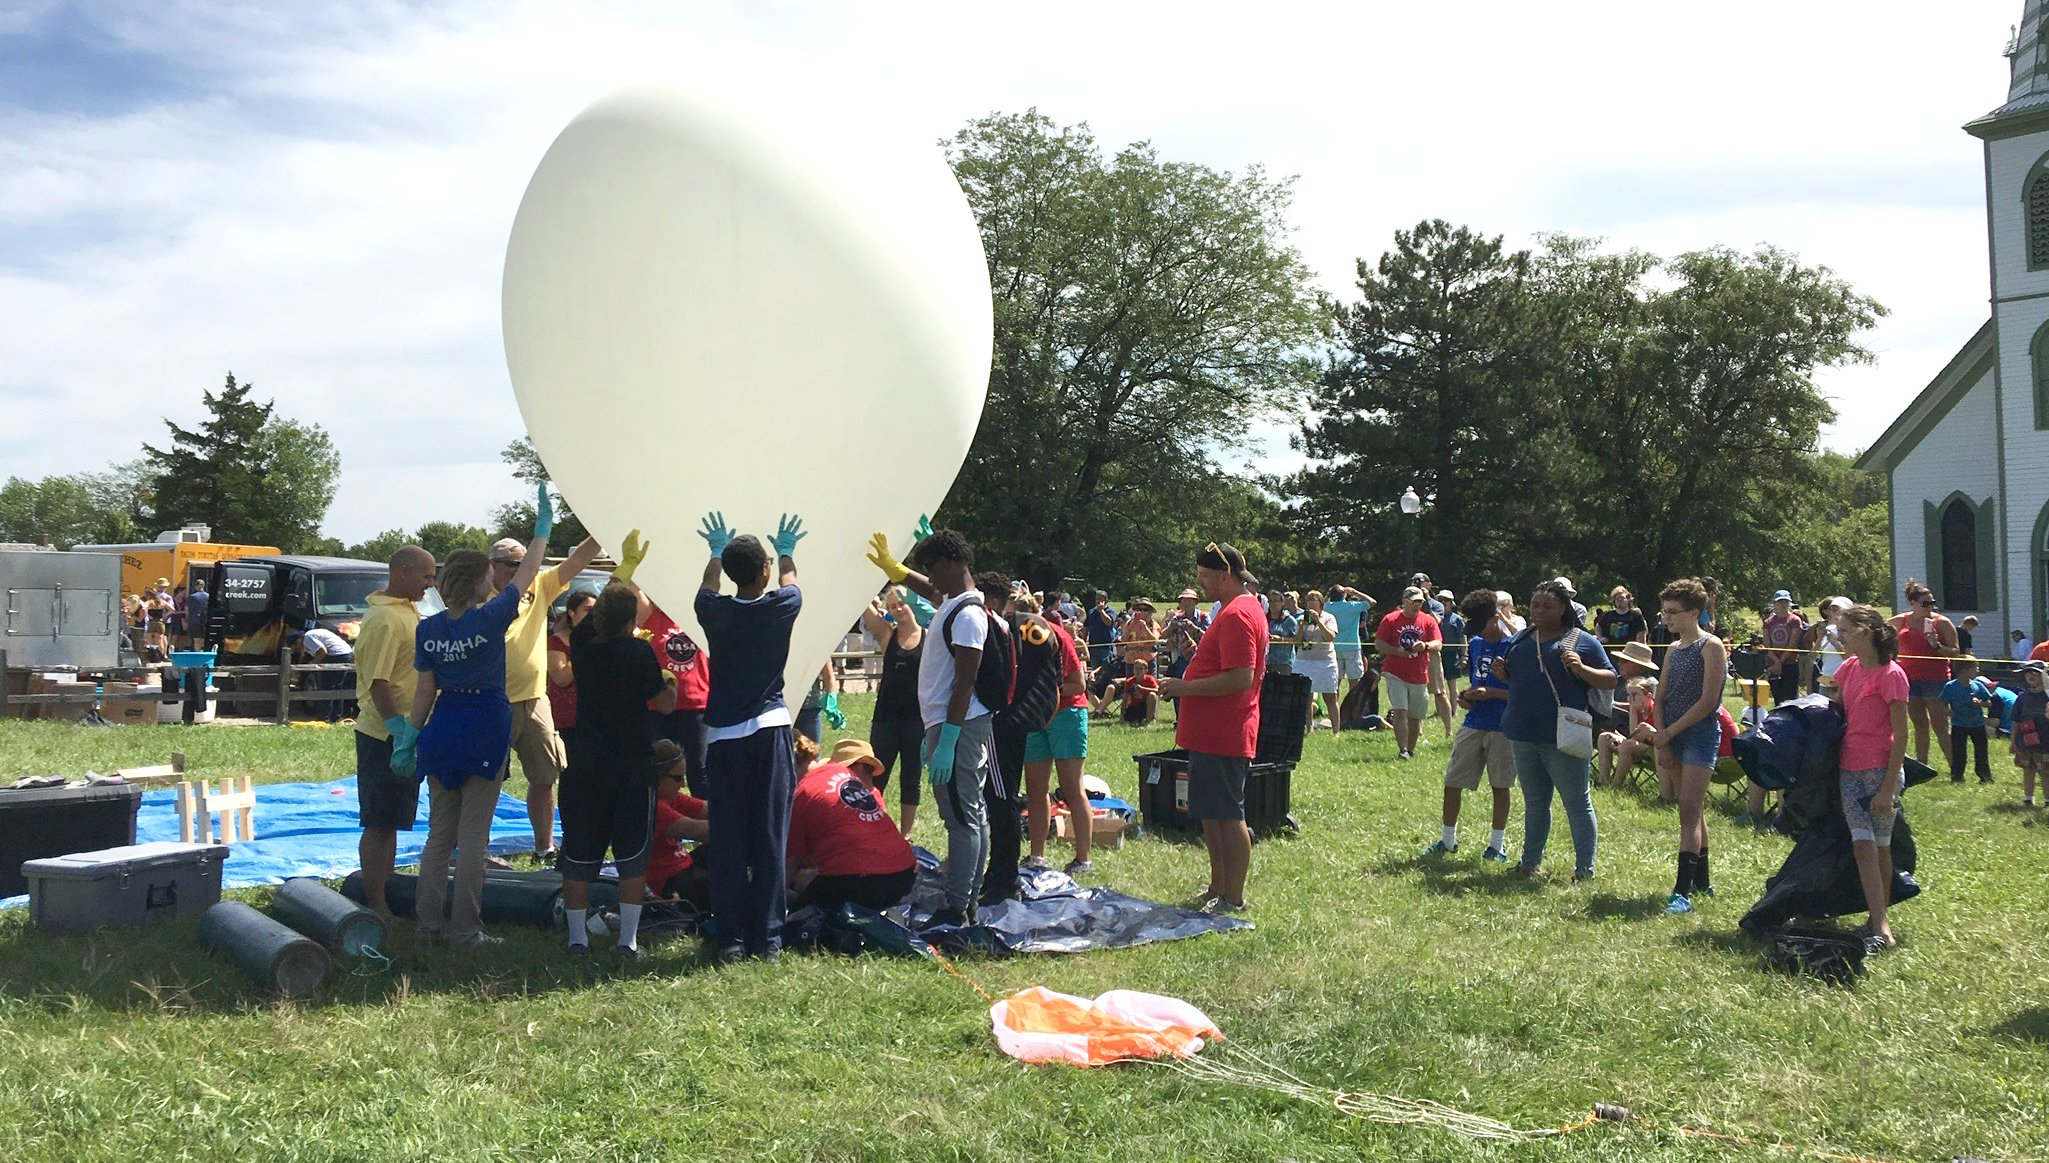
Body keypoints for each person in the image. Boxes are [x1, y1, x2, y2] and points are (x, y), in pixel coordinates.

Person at [408, 527, 553, 949]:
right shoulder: (489, 618)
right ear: (476, 581)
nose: (495, 579)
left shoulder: (427, 629)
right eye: (489, 574)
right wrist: (541, 530)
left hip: (443, 724)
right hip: (486, 725)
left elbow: (423, 691)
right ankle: (465, 929)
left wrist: (409, 737)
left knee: (438, 836)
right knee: (473, 838)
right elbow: (527, 573)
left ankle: (427, 925)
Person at [866, 527, 994, 928]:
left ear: (954, 563)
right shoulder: (956, 601)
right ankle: (967, 897)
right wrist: (897, 570)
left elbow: (965, 680)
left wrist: (949, 740)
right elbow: (930, 591)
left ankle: (958, 906)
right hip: (950, 724)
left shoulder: (969, 615)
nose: (931, 578)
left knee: (960, 816)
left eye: (933, 568)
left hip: (959, 725)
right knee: (970, 812)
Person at [695, 513, 805, 962]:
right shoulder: (783, 606)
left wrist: (715, 553)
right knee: (770, 835)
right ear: (764, 571)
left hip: (723, 738)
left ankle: (731, 938)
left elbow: (706, 586)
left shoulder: (713, 611)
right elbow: (792, 581)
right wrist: (785, 551)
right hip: (769, 729)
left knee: (728, 838)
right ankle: (770, 938)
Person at [561, 581, 677, 955]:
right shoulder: (640, 652)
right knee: (631, 854)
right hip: (631, 764)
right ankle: (628, 941)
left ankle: (576, 938)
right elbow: (665, 705)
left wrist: (620, 576)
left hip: (585, 762)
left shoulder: (581, 647)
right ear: (630, 622)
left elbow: (585, 626)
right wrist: (669, 681)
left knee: (579, 853)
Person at [485, 525, 607, 863]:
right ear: (492, 565)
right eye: (513, 564)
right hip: (492, 701)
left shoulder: (537, 587)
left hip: (535, 698)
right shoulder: (480, 597)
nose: (523, 568)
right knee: (485, 780)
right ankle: (476, 847)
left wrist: (601, 529)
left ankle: (544, 846)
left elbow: (577, 562)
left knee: (546, 775)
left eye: (525, 562)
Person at [1156, 542, 1265, 914]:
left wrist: (1185, 686)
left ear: (1225, 575)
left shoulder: (1237, 614)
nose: (1200, 584)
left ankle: (1233, 897)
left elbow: (1240, 677)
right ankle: (1218, 887)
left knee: (1229, 815)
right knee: (1212, 814)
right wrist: (1197, 652)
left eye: (1204, 577)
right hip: (1210, 731)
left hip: (1225, 730)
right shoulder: (1235, 610)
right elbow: (1225, 661)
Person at [1494, 579, 1616, 881]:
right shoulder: (1521, 638)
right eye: (1535, 605)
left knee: (1577, 802)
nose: (1539, 611)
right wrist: (1503, 674)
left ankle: (1584, 870)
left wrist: (1582, 669)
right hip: (1523, 732)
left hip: (1564, 734)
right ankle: (1529, 862)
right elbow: (1520, 682)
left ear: (1564, 608)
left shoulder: (1580, 640)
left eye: (1547, 606)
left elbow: (1611, 679)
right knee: (1535, 802)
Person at [351, 545, 435, 918]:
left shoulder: (407, 610)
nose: (430, 584)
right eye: (425, 576)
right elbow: (378, 683)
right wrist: (398, 730)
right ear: (402, 572)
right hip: (384, 735)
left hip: (405, 732)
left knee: (394, 819)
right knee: (379, 822)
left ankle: (386, 888)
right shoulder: (385, 620)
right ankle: (376, 904)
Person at [1636, 579, 1728, 914]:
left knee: (1689, 812)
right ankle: (1701, 882)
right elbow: (1660, 697)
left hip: (1699, 735)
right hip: (1672, 735)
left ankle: (1681, 892)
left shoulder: (1711, 646)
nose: (1667, 618)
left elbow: (1707, 701)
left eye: (1674, 612)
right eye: (1665, 612)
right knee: (1690, 809)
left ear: (1695, 613)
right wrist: (1663, 738)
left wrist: (1669, 733)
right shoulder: (1673, 650)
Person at [1829, 604, 1910, 951]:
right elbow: (1837, 712)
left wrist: (1889, 788)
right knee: (1863, 848)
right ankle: (1877, 921)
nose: (1839, 636)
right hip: (1850, 768)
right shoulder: (1848, 669)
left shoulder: (1891, 675)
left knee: (1880, 847)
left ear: (1864, 632)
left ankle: (1880, 925)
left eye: (1844, 630)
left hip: (1880, 772)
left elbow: (1901, 735)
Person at [1423, 589, 1515, 861]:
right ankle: (1447, 840)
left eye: (1483, 624)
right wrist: (1467, 698)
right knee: (1452, 781)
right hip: (1474, 721)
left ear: (1496, 618)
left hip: (1502, 725)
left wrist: (1492, 693)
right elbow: (1477, 681)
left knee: (1500, 786)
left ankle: (1497, 846)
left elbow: (1521, 692)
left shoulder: (1513, 647)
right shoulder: (1475, 644)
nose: (1481, 632)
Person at [788, 738, 919, 912]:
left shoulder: (802, 793)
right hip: (904, 874)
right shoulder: (847, 778)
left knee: (800, 915)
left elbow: (789, 862)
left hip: (860, 879)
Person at [1021, 591, 1094, 877]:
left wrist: (1045, 692)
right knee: (1036, 788)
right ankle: (1037, 855)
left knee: (1071, 786)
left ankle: (1083, 858)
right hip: (1034, 718)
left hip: (1067, 714)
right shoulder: (1012, 639)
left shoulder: (1058, 637)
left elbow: (1078, 684)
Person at [860, 586, 927, 835]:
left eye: (901, 603)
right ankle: (873, 825)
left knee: (912, 777)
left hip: (916, 719)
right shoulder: (888, 635)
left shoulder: (929, 637)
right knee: (876, 774)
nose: (897, 609)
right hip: (886, 717)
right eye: (891, 606)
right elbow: (863, 605)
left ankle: (905, 834)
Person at [641, 600, 713, 799]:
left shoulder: (700, 615)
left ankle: (709, 823)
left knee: (699, 769)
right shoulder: (652, 615)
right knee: (660, 768)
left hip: (696, 704)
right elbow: (633, 584)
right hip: (659, 707)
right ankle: (659, 820)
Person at [1890, 580, 1958, 767]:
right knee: (1919, 725)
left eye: (1932, 603)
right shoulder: (1900, 621)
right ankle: (1923, 766)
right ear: (1913, 603)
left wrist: (1936, 645)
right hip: (1909, 678)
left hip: (1935, 679)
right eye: (1925, 603)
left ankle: (1955, 767)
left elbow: (1955, 651)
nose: (1930, 607)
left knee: (1941, 726)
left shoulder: (1942, 623)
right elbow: (1880, 636)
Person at [1374, 587, 1443, 760]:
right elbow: (1379, 644)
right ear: (1404, 601)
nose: (1416, 605)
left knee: (1415, 716)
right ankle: (1403, 750)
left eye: (1419, 602)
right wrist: (1396, 651)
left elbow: (1438, 643)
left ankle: (1410, 750)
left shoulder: (1428, 620)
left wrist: (1425, 646)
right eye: (1413, 601)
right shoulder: (1390, 619)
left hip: (1419, 675)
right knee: (1400, 711)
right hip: (1395, 673)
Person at [644, 739, 711, 907]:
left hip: (683, 866)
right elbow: (701, 831)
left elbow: (712, 810)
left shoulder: (668, 796)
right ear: (657, 777)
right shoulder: (653, 806)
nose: (682, 784)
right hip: (668, 882)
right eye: (677, 778)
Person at [545, 590, 595, 745]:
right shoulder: (556, 641)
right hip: (567, 718)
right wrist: (583, 649)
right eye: (587, 610)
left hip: (593, 717)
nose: (593, 615)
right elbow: (561, 678)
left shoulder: (601, 639)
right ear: (572, 613)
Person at [1941, 656, 1995, 785]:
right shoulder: (1951, 686)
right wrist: (1946, 711)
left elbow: (1989, 702)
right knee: (1959, 751)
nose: (1977, 671)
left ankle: (1985, 776)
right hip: (1959, 724)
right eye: (1974, 668)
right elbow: (1943, 702)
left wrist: (1980, 703)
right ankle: (1957, 776)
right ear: (1964, 670)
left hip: (1977, 724)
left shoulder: (1978, 686)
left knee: (1981, 751)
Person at [1292, 590, 1341, 729]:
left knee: (1330, 696)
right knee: (1306, 695)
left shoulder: (1329, 618)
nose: (1311, 603)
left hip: (1325, 661)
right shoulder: (1302, 618)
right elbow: (1297, 642)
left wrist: (1318, 621)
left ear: (1321, 603)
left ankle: (1336, 730)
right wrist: (1302, 627)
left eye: (1314, 600)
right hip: (1304, 661)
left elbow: (1330, 637)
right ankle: (1309, 728)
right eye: (1309, 600)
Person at [1324, 586, 1372, 718]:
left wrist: (1328, 595)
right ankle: (1353, 711)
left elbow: (1320, 603)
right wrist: (1355, 592)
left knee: (1335, 682)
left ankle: (1334, 713)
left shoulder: (1328, 607)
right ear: (1344, 595)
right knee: (1354, 681)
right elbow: (1372, 602)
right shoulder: (1353, 605)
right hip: (1352, 647)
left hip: (1334, 648)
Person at [297, 622, 355, 723]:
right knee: (337, 686)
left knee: (326, 686)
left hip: (337, 655)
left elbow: (322, 652)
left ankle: (324, 717)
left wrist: (313, 664)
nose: (296, 649)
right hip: (347, 653)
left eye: (295, 646)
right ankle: (335, 717)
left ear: (298, 640)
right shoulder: (314, 634)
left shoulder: (307, 638)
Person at [2012, 660, 2049, 806]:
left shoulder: (2047, 697)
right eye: (2028, 673)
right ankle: (2028, 798)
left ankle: (2047, 799)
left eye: (2036, 673)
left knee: (2046, 772)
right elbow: (2015, 720)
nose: (2031, 676)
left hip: (2045, 742)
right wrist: (2013, 741)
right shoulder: (2022, 698)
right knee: (2028, 770)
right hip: (2025, 742)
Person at [1762, 590, 1807, 706]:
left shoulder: (1795, 620)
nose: (1783, 604)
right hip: (1772, 663)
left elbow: (1792, 644)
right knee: (1778, 698)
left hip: (1790, 663)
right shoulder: (1768, 622)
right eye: (1780, 601)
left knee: (1790, 699)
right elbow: (1767, 645)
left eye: (1786, 601)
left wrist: (1780, 663)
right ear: (1775, 604)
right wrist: (1775, 662)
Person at [1433, 588, 1465, 738]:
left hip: (1451, 654)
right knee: (1438, 684)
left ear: (1451, 603)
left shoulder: (1456, 619)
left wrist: (1464, 655)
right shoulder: (1434, 617)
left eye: (1445, 601)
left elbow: (1462, 638)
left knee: (1452, 684)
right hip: (1437, 653)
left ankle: (1454, 709)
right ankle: (1440, 710)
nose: (1442, 603)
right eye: (1440, 600)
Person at [1265, 591, 1298, 676]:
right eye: (1271, 601)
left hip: (1284, 663)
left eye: (1276, 601)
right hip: (1266, 661)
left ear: (1282, 602)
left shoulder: (1289, 620)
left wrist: (1281, 639)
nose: (1273, 604)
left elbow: (1297, 640)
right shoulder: (1264, 619)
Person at [1084, 590, 1118, 668]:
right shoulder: (1091, 612)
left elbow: (1108, 623)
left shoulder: (1110, 611)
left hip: (1105, 647)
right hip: (1093, 647)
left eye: (1100, 599)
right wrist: (1084, 641)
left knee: (1106, 670)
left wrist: (1101, 611)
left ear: (1106, 600)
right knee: (1094, 671)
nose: (1098, 601)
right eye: (1097, 599)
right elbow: (1086, 627)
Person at [184, 577, 209, 648]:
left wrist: (187, 618)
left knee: (196, 638)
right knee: (203, 638)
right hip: (205, 620)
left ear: (196, 586)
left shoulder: (192, 597)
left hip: (194, 620)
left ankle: (197, 653)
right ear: (203, 586)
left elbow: (186, 609)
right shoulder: (208, 596)